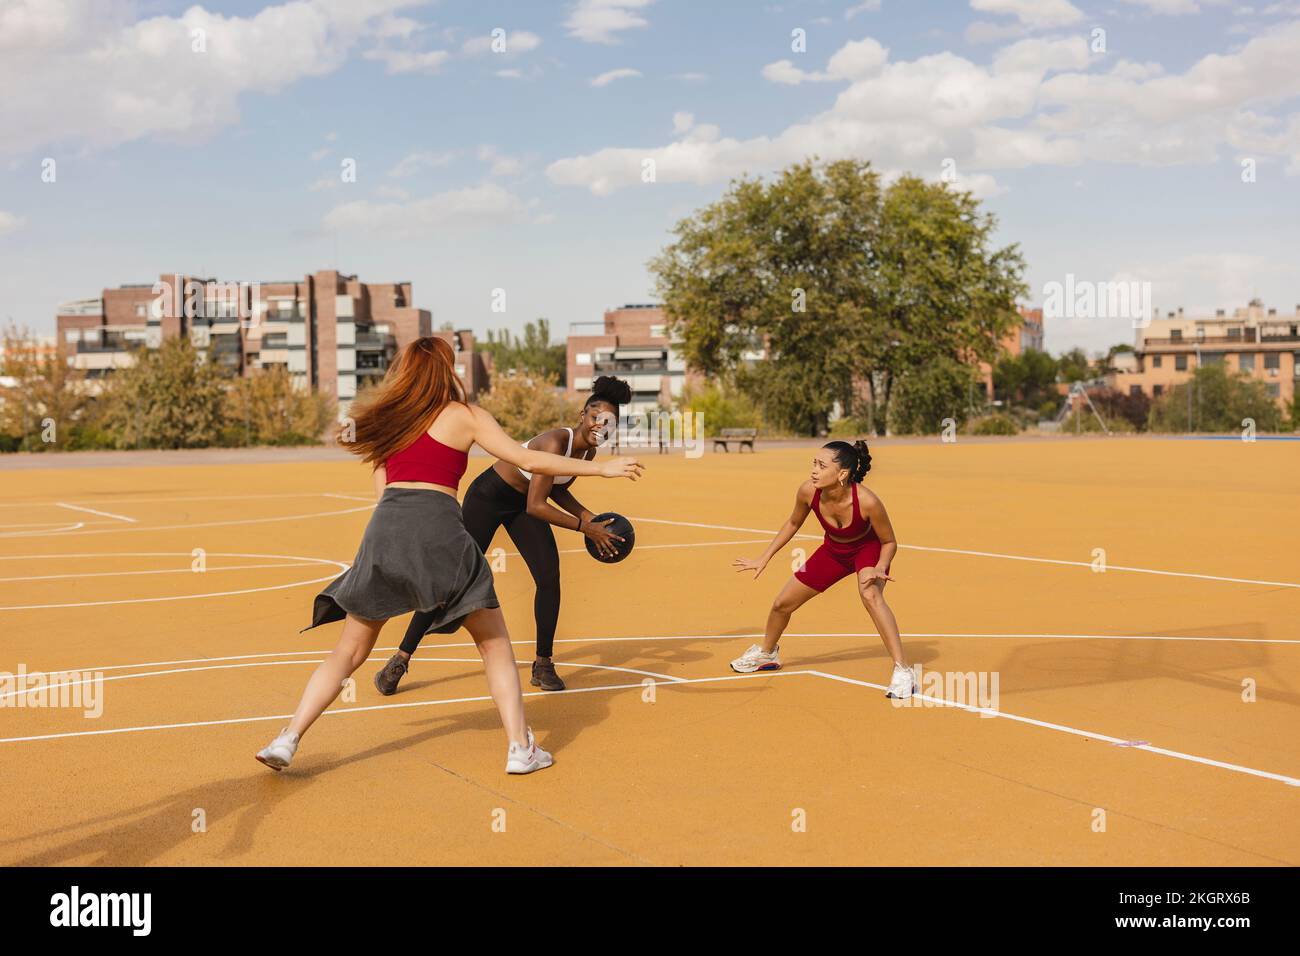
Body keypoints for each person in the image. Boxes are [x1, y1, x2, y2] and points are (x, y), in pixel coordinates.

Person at [254, 337, 643, 774]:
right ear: (448, 370)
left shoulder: (390, 421)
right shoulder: (465, 416)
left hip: (384, 529)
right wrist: (601, 467)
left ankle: (287, 739)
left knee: (348, 651)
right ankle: (520, 749)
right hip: (439, 526)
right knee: (494, 643)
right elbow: (523, 457)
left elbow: (383, 492)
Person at [374, 375, 634, 696]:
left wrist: (588, 516)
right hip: (489, 498)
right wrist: (585, 527)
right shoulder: (555, 443)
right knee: (451, 579)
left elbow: (557, 488)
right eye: (596, 418)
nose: (601, 427)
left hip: (522, 505)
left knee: (549, 578)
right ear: (582, 416)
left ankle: (543, 664)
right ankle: (401, 658)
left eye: (609, 423)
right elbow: (538, 505)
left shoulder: (587, 455)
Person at [729, 440, 915, 699]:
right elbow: (793, 522)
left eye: (821, 465)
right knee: (782, 604)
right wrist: (764, 557)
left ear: (842, 474)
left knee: (871, 596)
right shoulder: (808, 491)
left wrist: (880, 568)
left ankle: (903, 670)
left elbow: (889, 541)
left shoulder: (867, 501)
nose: (814, 470)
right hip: (833, 552)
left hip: (867, 550)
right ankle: (767, 654)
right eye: (813, 464)